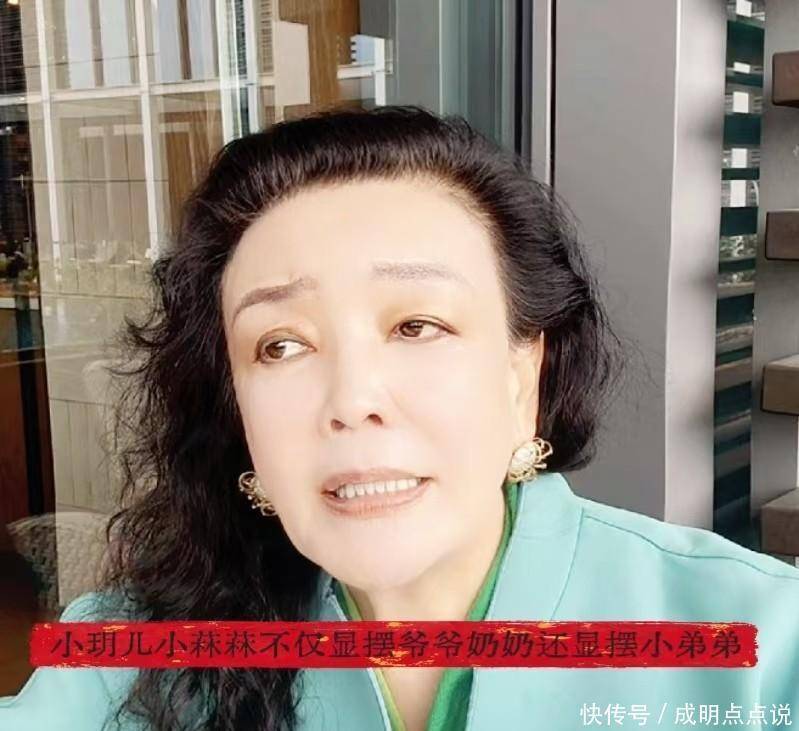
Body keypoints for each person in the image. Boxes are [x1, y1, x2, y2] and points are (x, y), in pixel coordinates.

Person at [1, 105, 797, 731]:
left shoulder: (758, 646)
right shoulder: (127, 658)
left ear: (523, 373)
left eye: (417, 325)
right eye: (281, 344)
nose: (352, 399)